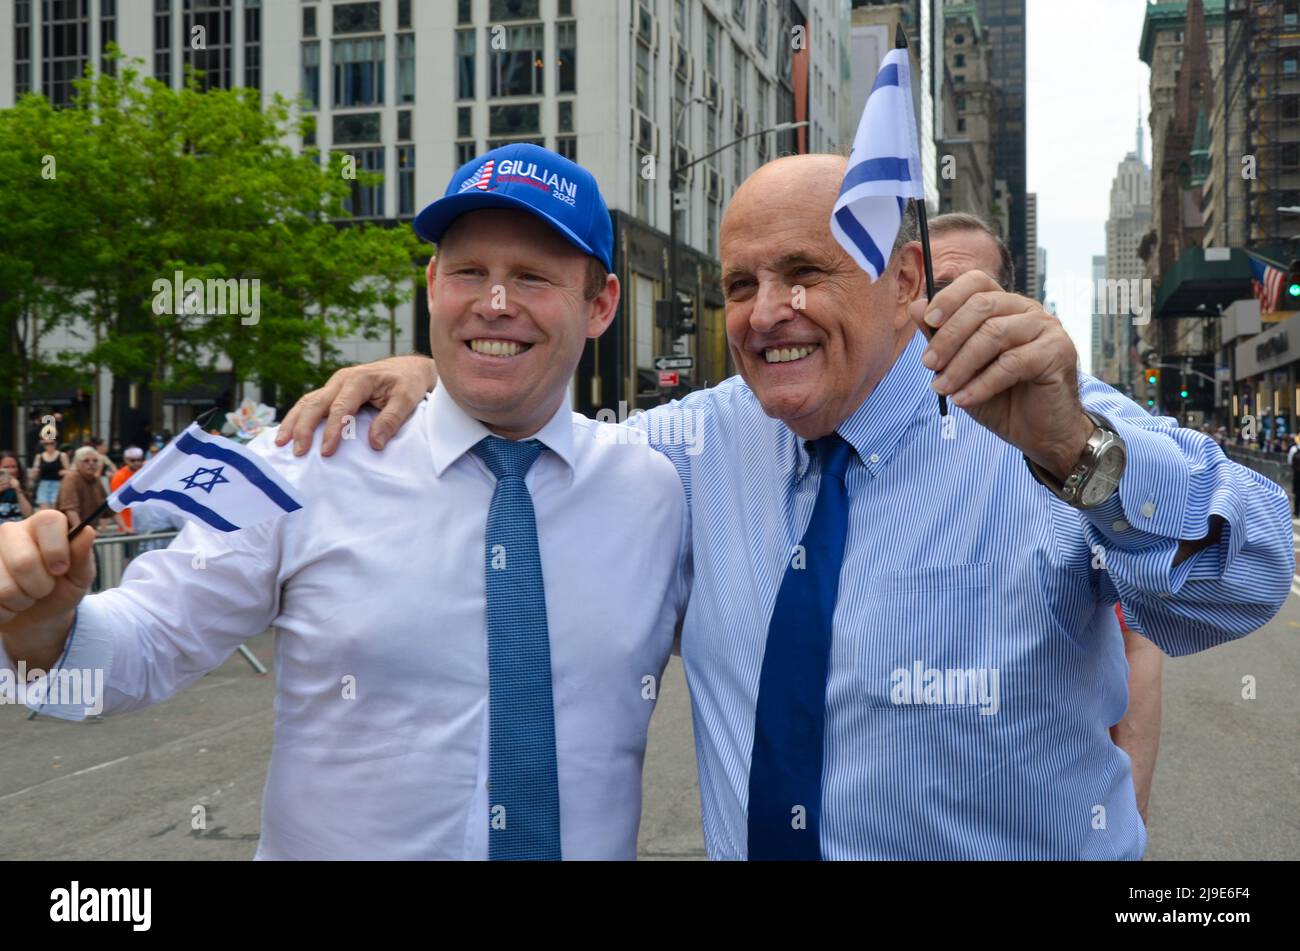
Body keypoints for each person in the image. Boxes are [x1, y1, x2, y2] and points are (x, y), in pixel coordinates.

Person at [284, 154, 1293, 860]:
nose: (768, 311)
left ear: (905, 281)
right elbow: (530, 451)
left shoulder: (1037, 416)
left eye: (806, 272)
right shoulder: (675, 454)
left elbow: (1248, 580)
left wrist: (1077, 454)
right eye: (740, 283)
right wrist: (436, 370)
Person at [0, 144, 689, 860]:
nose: (494, 302)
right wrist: (43, 630)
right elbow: (145, 641)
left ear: (601, 303)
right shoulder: (307, 461)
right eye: (469, 271)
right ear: (431, 283)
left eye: (532, 276)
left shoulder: (656, 490)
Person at [927, 212, 1162, 824]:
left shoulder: (1070, 415)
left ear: (1008, 303)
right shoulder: (845, 432)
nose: (945, 307)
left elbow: (1240, 567)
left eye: (966, 288)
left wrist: (1129, 801)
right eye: (929, 287)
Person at [55, 446, 128, 534]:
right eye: (86, 461)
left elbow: (107, 506)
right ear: (77, 463)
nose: (91, 463)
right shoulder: (71, 478)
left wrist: (124, 527)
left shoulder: (96, 479)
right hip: (70, 533)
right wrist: (81, 530)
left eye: (95, 461)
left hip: (88, 531)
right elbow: (70, 508)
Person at [108, 447, 145, 532]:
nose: (137, 463)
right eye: (132, 460)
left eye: (139, 460)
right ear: (125, 460)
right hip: (128, 525)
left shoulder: (145, 473)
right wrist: (124, 526)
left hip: (146, 522)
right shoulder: (119, 477)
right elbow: (116, 503)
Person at [29, 438, 69, 510]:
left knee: (56, 510)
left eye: (51, 443)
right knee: (45, 511)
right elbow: (34, 472)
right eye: (46, 444)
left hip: (58, 485)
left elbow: (69, 471)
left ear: (55, 443)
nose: (49, 445)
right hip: (43, 485)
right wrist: (35, 472)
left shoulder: (62, 455)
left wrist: (64, 472)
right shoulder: (39, 456)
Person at [0, 452, 34, 523]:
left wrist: (18, 490)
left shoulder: (23, 486)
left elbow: (29, 515)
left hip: (18, 529)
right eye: (6, 467)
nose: (11, 471)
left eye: (13, 467)